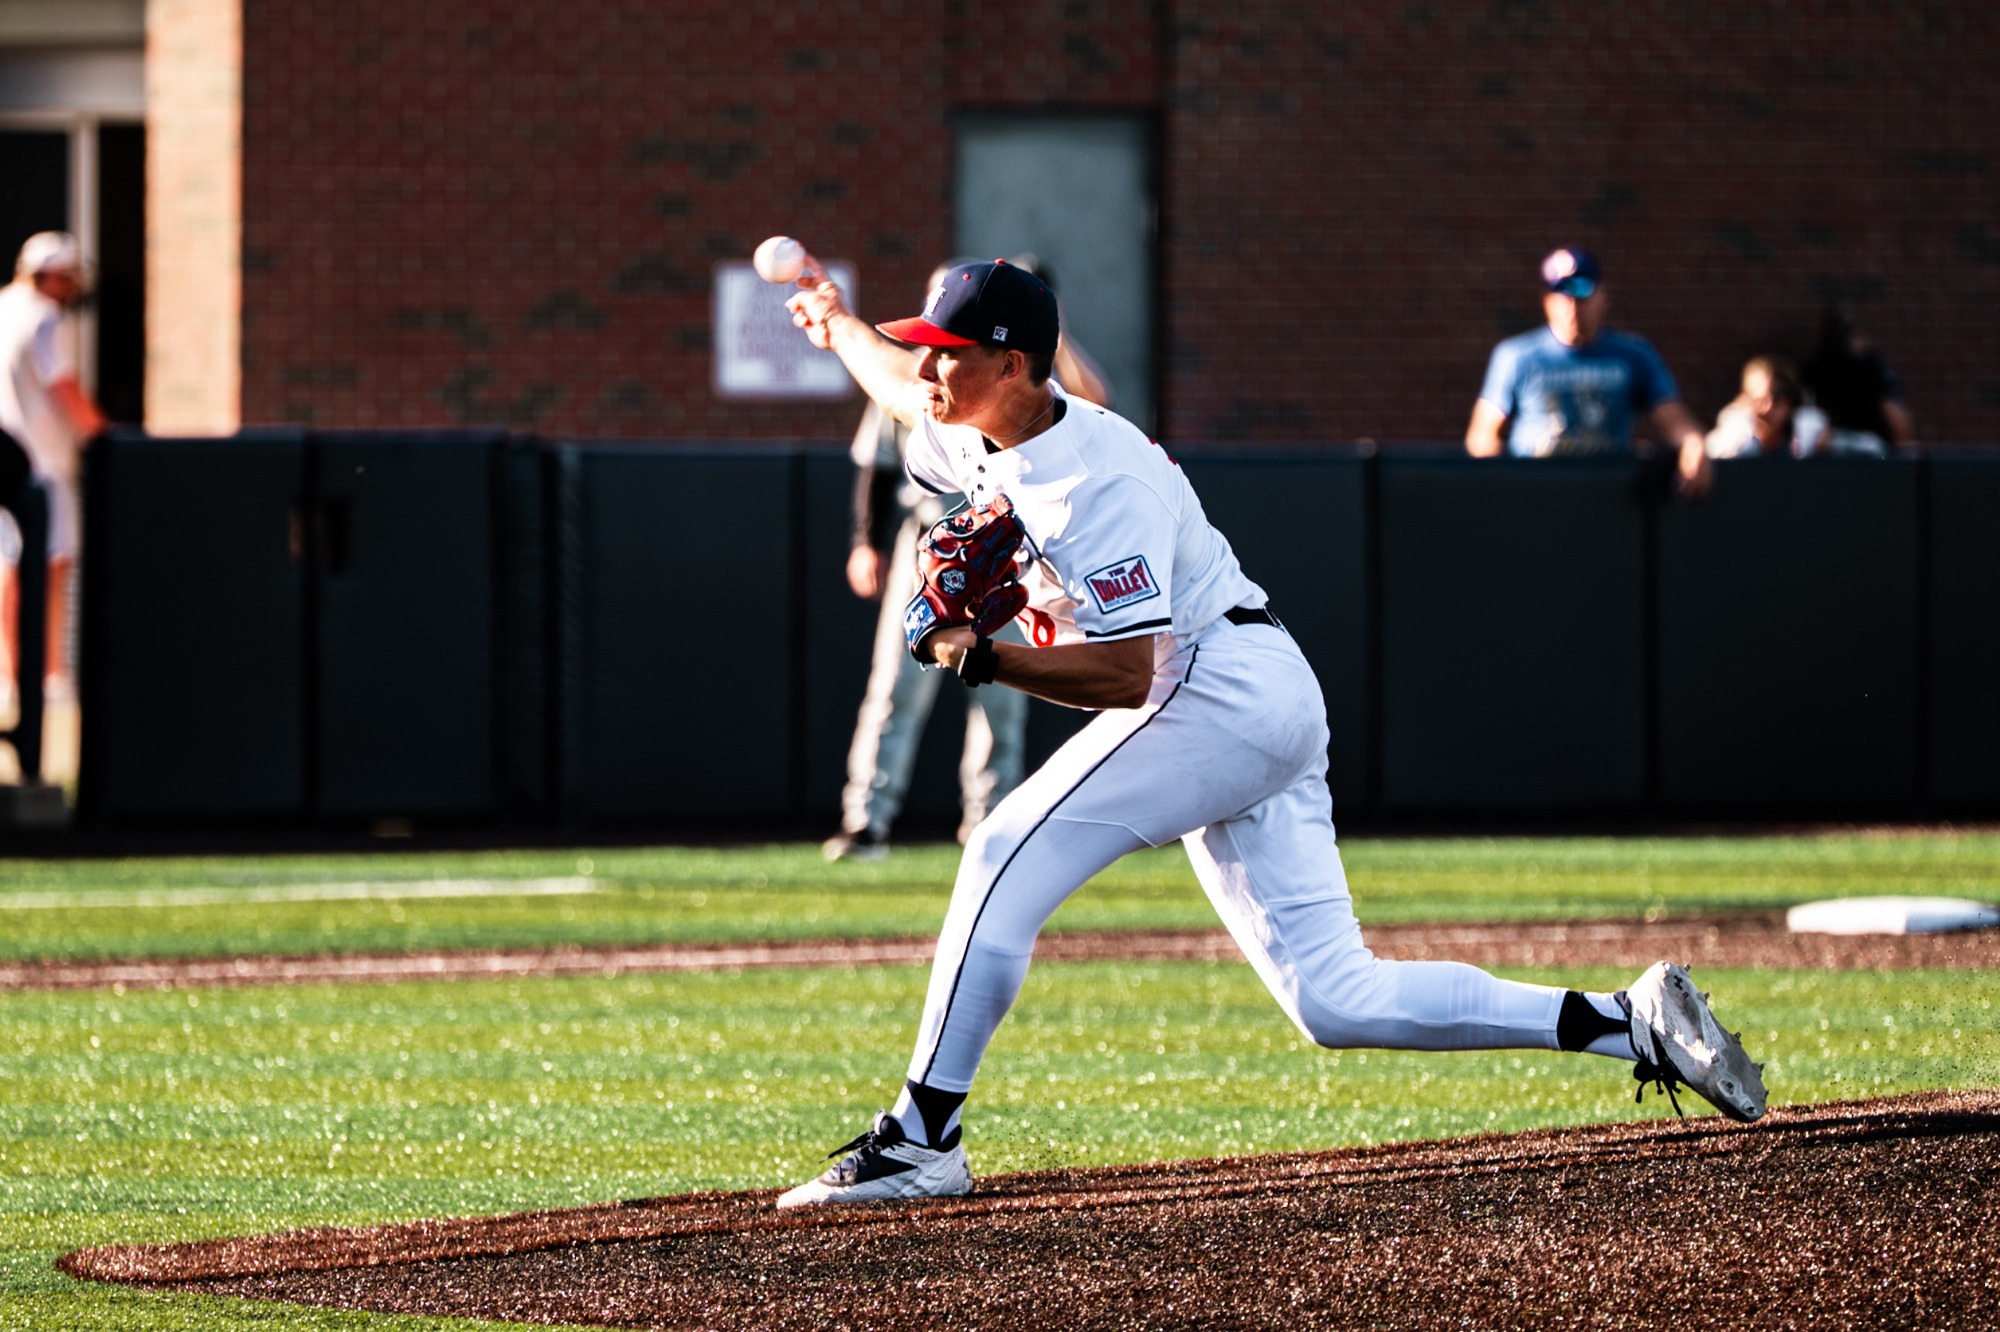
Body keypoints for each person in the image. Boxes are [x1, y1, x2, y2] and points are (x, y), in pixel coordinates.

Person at [775, 257, 1766, 1208]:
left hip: (1215, 693)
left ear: (1015, 366)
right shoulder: (969, 420)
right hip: (1247, 690)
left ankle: (919, 1138)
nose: (928, 366)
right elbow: (898, 386)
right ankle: (1621, 1022)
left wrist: (977, 656)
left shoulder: (1094, 481)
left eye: (951, 349)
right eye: (928, 346)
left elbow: (1126, 676)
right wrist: (836, 326)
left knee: (998, 851)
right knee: (1334, 999)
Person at [825, 260, 1114, 862]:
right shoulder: (932, 381)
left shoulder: (1023, 398)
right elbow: (881, 443)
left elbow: (1094, 399)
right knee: (895, 690)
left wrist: (1046, 331)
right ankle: (867, 822)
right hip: (930, 537)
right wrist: (864, 540)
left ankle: (991, 829)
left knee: (1002, 696)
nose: (931, 356)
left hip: (1009, 546)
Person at [1465, 246, 1712, 498]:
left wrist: (1693, 446)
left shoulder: (1633, 355)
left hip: (1606, 496)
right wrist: (1496, 483)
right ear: (1546, 300)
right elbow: (1483, 434)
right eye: (1561, 292)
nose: (1572, 305)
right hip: (1537, 495)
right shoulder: (1517, 357)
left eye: (1582, 290)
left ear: (1603, 296)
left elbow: (1674, 420)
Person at [0, 232, 104, 714]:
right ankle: (43, 673)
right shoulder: (42, 316)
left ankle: (15, 673)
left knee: (14, 565)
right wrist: (105, 437)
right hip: (39, 463)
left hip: (12, 459)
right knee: (45, 563)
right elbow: (62, 385)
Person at [1800, 306, 1914, 457]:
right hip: (1864, 450)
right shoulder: (1871, 366)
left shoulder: (1816, 366)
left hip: (1831, 451)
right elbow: (1894, 415)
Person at [1706, 355, 1826, 459]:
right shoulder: (1731, 437)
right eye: (1757, 400)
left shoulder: (1810, 434)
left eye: (1776, 399)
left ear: (1790, 402)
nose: (1766, 409)